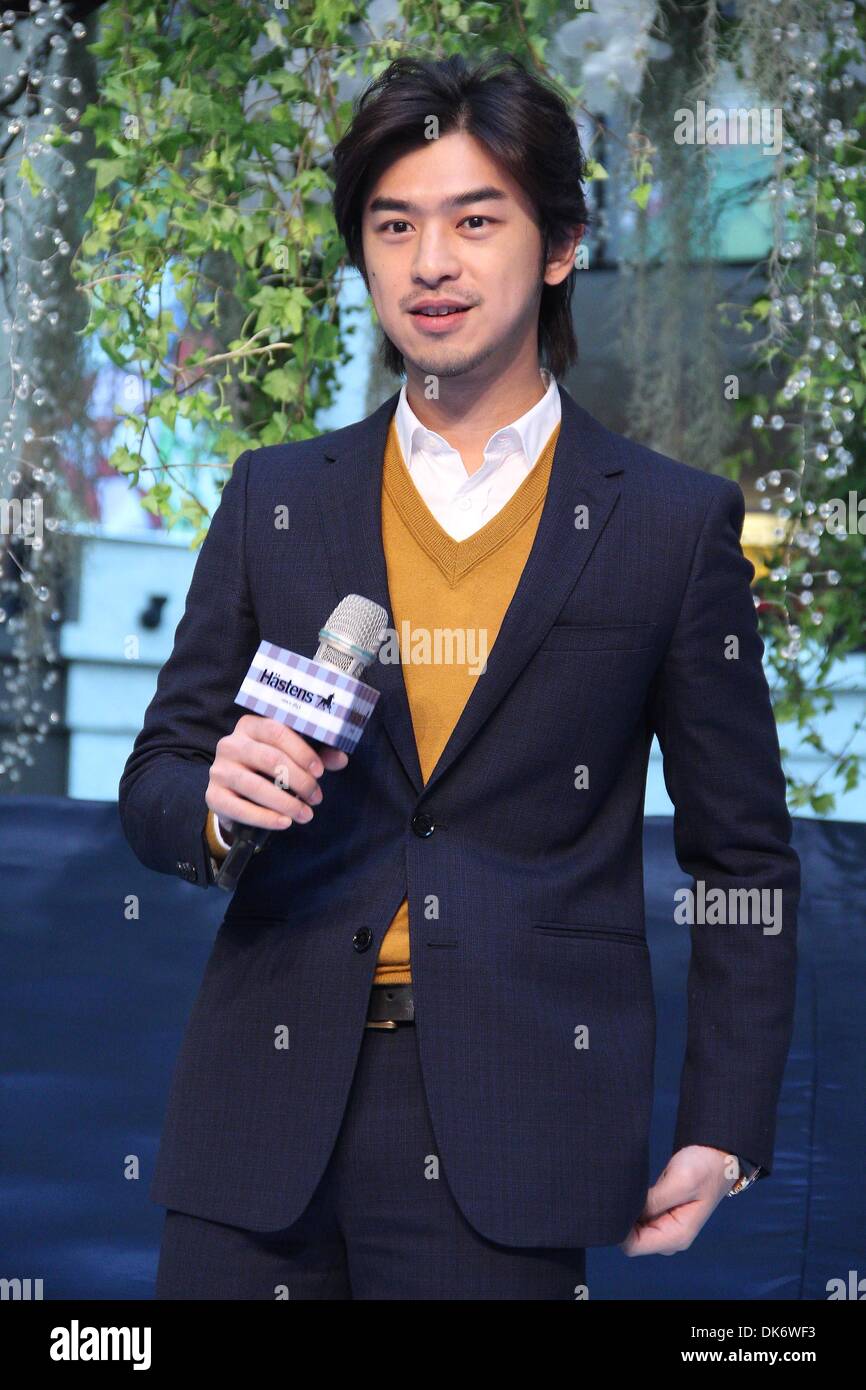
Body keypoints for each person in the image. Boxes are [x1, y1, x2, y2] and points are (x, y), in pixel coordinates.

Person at [118, 53, 799, 1301]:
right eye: (393, 225)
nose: (429, 261)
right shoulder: (278, 496)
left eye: (473, 219)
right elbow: (157, 778)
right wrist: (213, 805)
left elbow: (740, 860)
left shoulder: (667, 525)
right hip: (256, 1113)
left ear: (557, 249)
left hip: (515, 1121)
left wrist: (722, 1123)